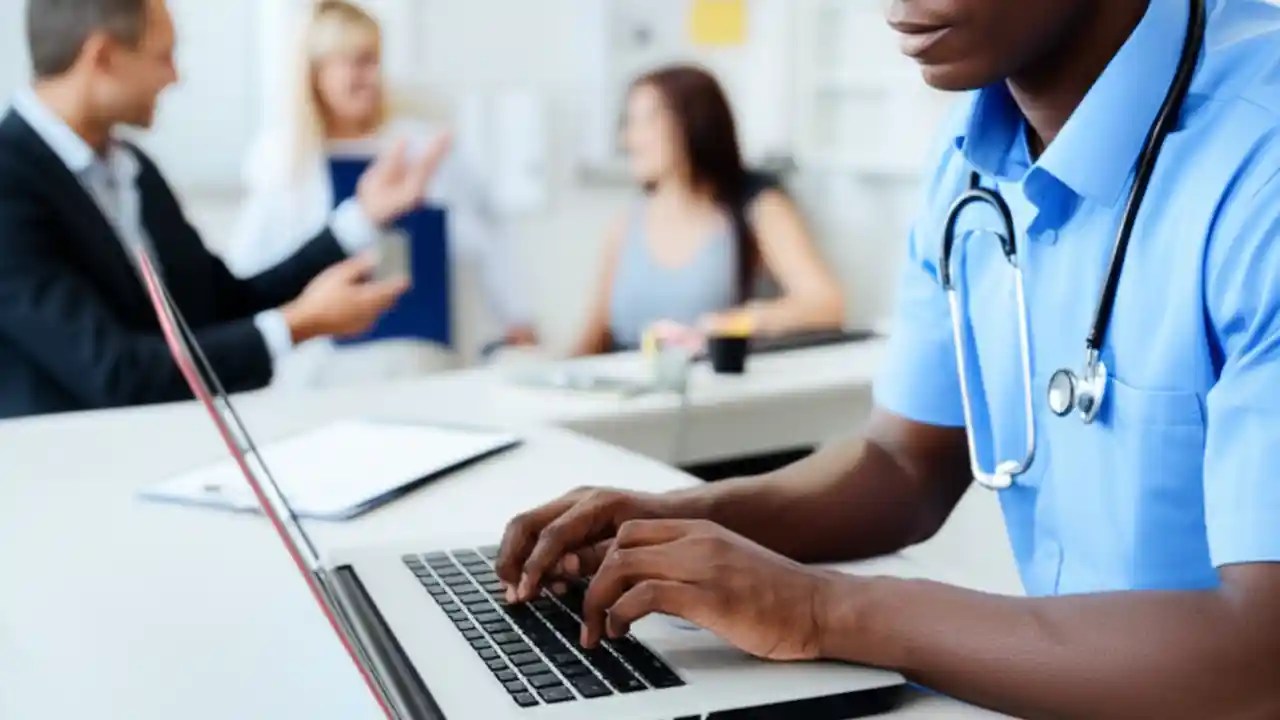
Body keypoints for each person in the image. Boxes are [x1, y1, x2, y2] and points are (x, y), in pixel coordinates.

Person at [495, 0, 1280, 716]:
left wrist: (820, 610)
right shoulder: (974, 149)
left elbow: (1261, 657)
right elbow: (904, 463)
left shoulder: (1261, 155)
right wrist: (674, 525)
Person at [0, 0, 446, 419]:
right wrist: (295, 326)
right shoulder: (10, 179)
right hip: (67, 479)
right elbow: (116, 372)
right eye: (163, 56)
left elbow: (224, 303)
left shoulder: (132, 169)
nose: (174, 77)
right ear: (104, 57)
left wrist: (360, 218)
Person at [226, 0, 536, 387]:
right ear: (316, 72)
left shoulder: (419, 149)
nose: (368, 76)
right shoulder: (285, 160)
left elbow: (490, 244)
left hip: (423, 358)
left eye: (372, 60)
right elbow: (247, 278)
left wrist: (518, 320)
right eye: (352, 62)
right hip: (323, 370)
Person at [571, 65, 844, 356]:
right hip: (625, 388)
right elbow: (594, 334)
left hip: (711, 384)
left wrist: (736, 323)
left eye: (648, 121)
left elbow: (826, 304)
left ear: (693, 123)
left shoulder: (757, 208)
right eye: (630, 123)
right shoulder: (627, 223)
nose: (629, 139)